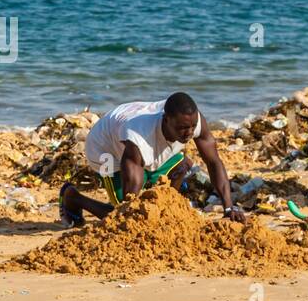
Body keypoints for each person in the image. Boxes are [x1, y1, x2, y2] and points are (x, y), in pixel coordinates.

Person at [59, 92, 244, 224]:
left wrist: (229, 208)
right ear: (166, 120)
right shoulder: (138, 139)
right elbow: (129, 206)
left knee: (183, 165)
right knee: (124, 214)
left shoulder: (193, 122)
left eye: (192, 127)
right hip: (105, 151)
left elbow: (213, 162)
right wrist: (135, 214)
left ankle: (163, 199)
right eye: (181, 128)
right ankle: (73, 197)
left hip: (141, 138)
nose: (188, 133)